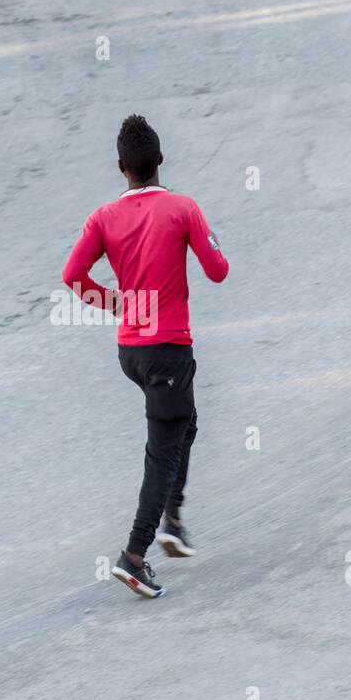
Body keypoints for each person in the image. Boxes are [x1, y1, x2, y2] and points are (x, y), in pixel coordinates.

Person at [61, 115, 229, 597]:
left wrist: (119, 303)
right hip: (168, 351)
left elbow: (73, 276)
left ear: (121, 168)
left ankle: (173, 519)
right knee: (163, 450)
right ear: (159, 160)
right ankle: (135, 555)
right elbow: (217, 271)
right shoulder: (182, 208)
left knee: (185, 424)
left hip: (131, 350)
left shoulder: (103, 218)